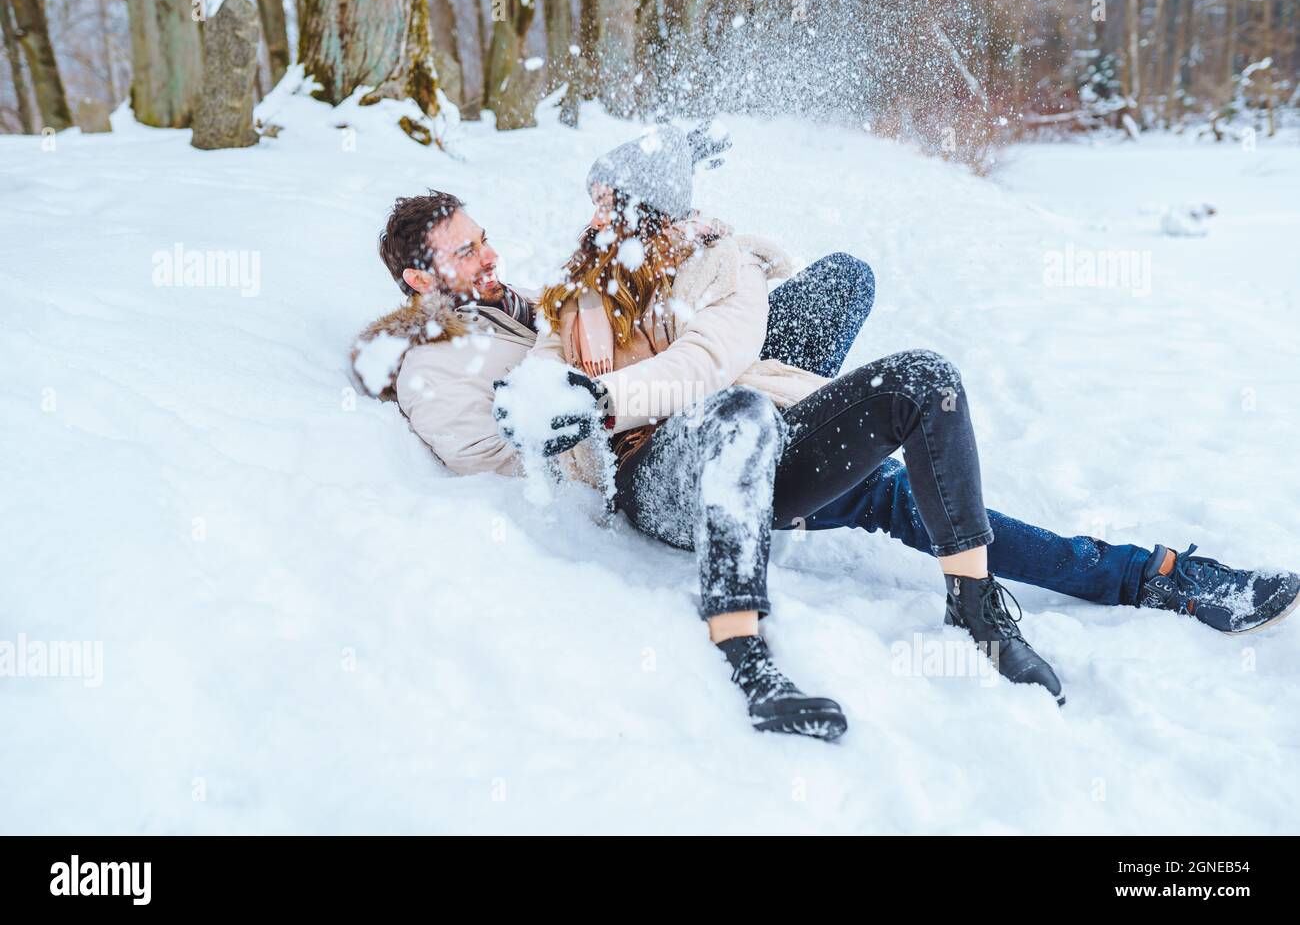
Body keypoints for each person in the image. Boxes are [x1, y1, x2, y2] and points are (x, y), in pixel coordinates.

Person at [352, 129, 1299, 739]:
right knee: (834, 451)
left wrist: (710, 244)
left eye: (483, 239)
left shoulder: (571, 283)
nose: (490, 253)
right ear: (417, 279)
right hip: (681, 457)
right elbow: (495, 446)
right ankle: (750, 651)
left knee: (844, 313)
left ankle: (1149, 577)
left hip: (732, 400)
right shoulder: (446, 356)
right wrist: (556, 419)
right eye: (466, 250)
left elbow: (708, 333)